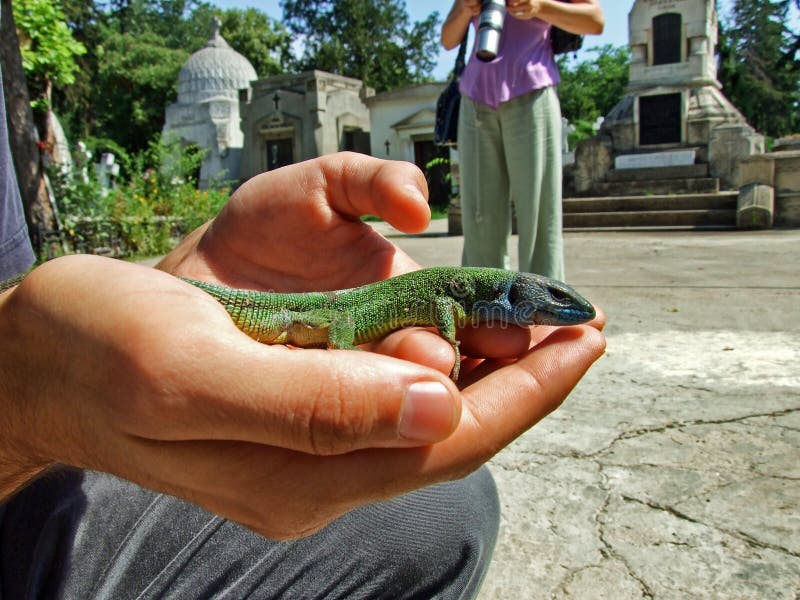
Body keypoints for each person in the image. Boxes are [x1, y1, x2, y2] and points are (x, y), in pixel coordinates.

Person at [0, 60, 605, 600]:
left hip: (35, 497)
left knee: (451, 501)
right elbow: (444, 314)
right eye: (554, 299)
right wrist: (33, 382)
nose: (563, 308)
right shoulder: (474, 297)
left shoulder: (493, 295)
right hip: (329, 316)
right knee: (321, 355)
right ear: (520, 295)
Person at [442, 0, 604, 280]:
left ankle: (545, 308)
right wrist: (467, 7)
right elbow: (447, 39)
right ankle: (482, 308)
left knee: (540, 216)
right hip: (475, 98)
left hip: (532, 92)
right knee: (479, 217)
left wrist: (539, 6)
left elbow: (595, 20)